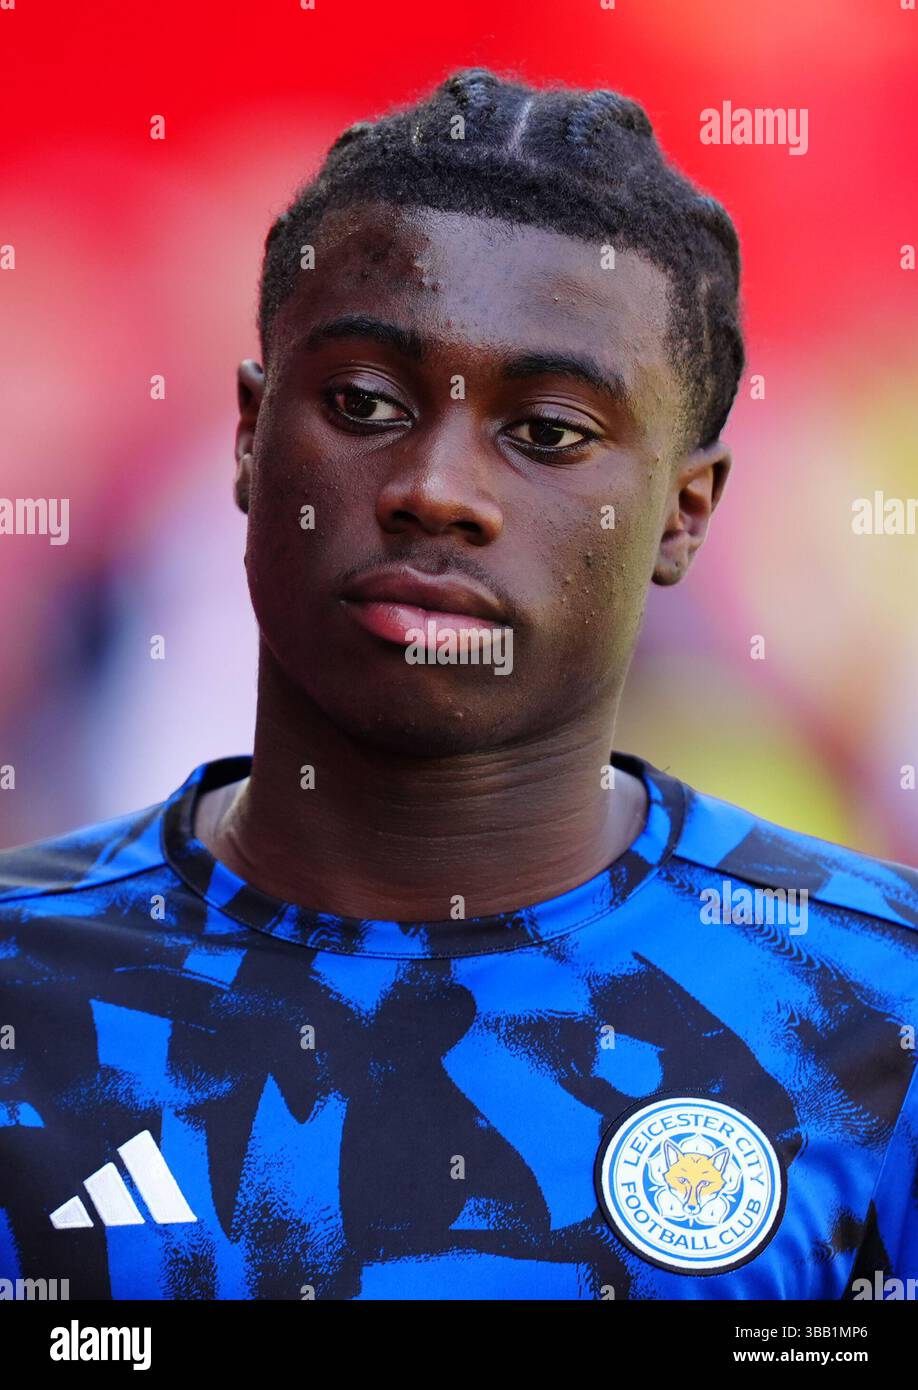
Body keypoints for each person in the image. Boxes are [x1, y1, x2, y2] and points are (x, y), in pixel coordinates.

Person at [1, 68, 915, 1301]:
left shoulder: (875, 1013)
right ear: (248, 435)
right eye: (366, 400)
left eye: (546, 430)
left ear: (684, 516)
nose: (436, 487)